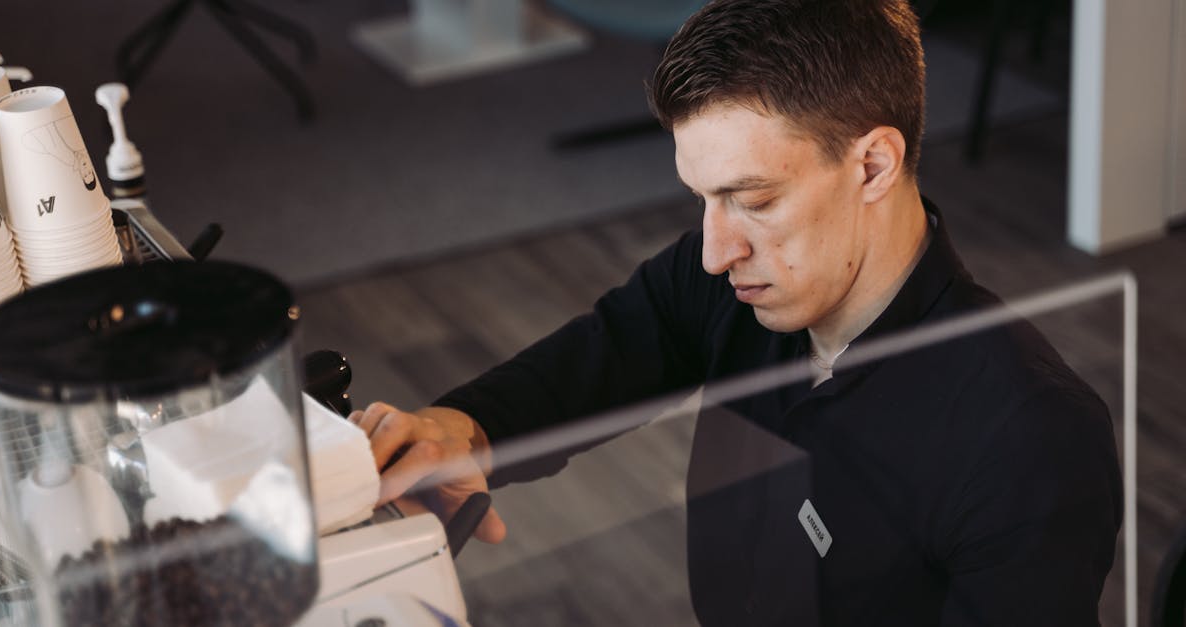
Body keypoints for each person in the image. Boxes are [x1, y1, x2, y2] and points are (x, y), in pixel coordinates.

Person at [349, 0, 1122, 624]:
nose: (716, 250)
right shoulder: (725, 281)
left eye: (753, 201)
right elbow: (596, 357)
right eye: (703, 200)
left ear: (874, 164)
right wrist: (466, 430)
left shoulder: (1030, 439)